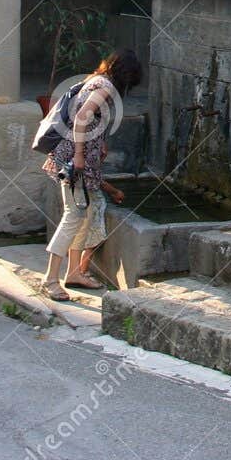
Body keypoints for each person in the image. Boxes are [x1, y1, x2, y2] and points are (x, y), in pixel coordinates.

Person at [41, 49, 143, 300]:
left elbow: (89, 119)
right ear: (126, 74)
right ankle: (50, 279)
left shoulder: (95, 80)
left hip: (79, 159)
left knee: (81, 215)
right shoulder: (105, 87)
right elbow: (81, 118)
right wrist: (78, 155)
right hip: (75, 161)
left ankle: (74, 273)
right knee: (72, 216)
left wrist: (100, 142)